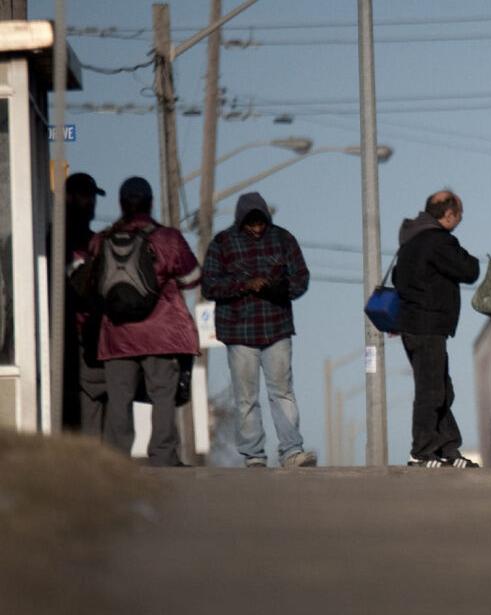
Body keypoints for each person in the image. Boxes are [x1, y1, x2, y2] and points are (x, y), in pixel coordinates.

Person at [201, 192, 317, 468]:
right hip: (239, 332)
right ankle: (253, 455)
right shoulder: (223, 243)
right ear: (241, 221)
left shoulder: (283, 239)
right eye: (251, 223)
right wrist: (245, 285)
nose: (257, 228)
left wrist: (281, 289)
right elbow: (209, 285)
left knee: (282, 392)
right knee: (246, 397)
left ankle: (291, 451)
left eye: (261, 222)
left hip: (276, 328)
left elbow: (301, 278)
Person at [90, 177, 200, 466]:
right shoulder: (168, 238)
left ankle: (116, 460)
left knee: (119, 398)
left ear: (121, 203)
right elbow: (192, 277)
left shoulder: (102, 240)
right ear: (151, 203)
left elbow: (91, 284)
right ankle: (163, 456)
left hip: (116, 334)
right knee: (163, 395)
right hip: (162, 334)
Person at [393, 189, 480, 468]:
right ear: (449, 214)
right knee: (431, 390)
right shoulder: (438, 241)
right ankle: (421, 451)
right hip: (428, 324)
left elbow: (397, 278)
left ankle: (448, 448)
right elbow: (469, 270)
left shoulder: (409, 240)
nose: (460, 220)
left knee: (441, 388)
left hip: (412, 326)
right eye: (460, 215)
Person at [62, 172, 107, 436]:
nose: (91, 203)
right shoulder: (59, 242)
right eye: (85, 196)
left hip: (89, 335)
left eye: (92, 197)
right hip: (72, 337)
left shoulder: (94, 242)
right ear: (69, 198)